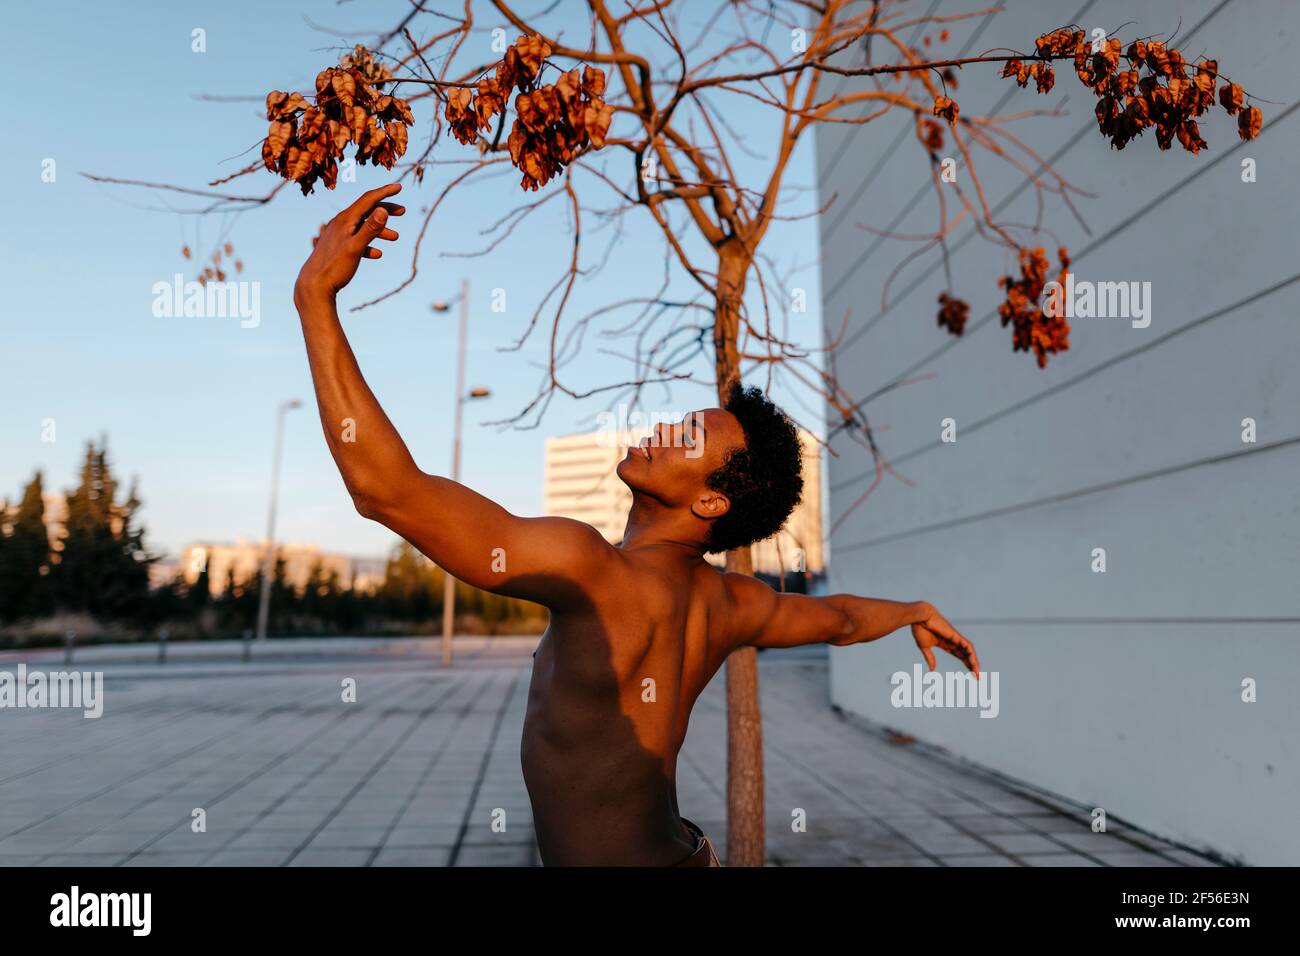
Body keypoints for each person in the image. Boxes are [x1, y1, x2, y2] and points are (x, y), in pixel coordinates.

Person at [294, 183, 981, 867]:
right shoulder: (732, 603)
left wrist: (316, 299)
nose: (662, 431)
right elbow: (836, 620)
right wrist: (913, 611)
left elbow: (387, 493)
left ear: (711, 503)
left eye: (686, 437)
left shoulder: (589, 567)